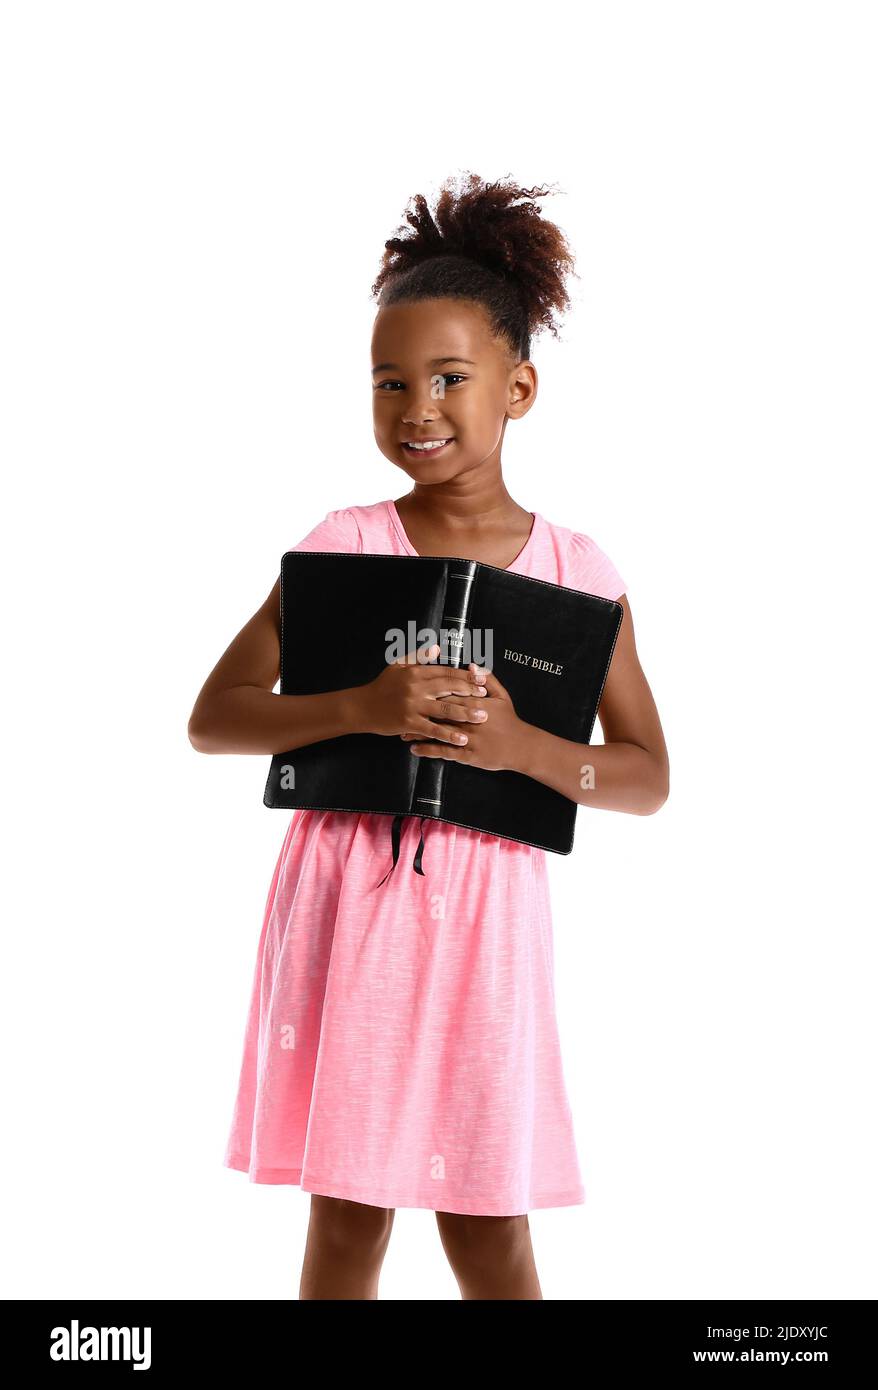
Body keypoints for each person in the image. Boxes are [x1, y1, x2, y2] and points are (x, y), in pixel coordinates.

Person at [187, 172, 669, 1300]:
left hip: (491, 923)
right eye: (389, 381)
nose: (418, 407)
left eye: (450, 378)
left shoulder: (576, 572)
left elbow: (646, 777)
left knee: (488, 1226)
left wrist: (521, 748)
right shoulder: (344, 542)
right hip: (349, 902)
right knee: (348, 1218)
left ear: (520, 387)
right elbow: (216, 717)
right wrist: (362, 702)